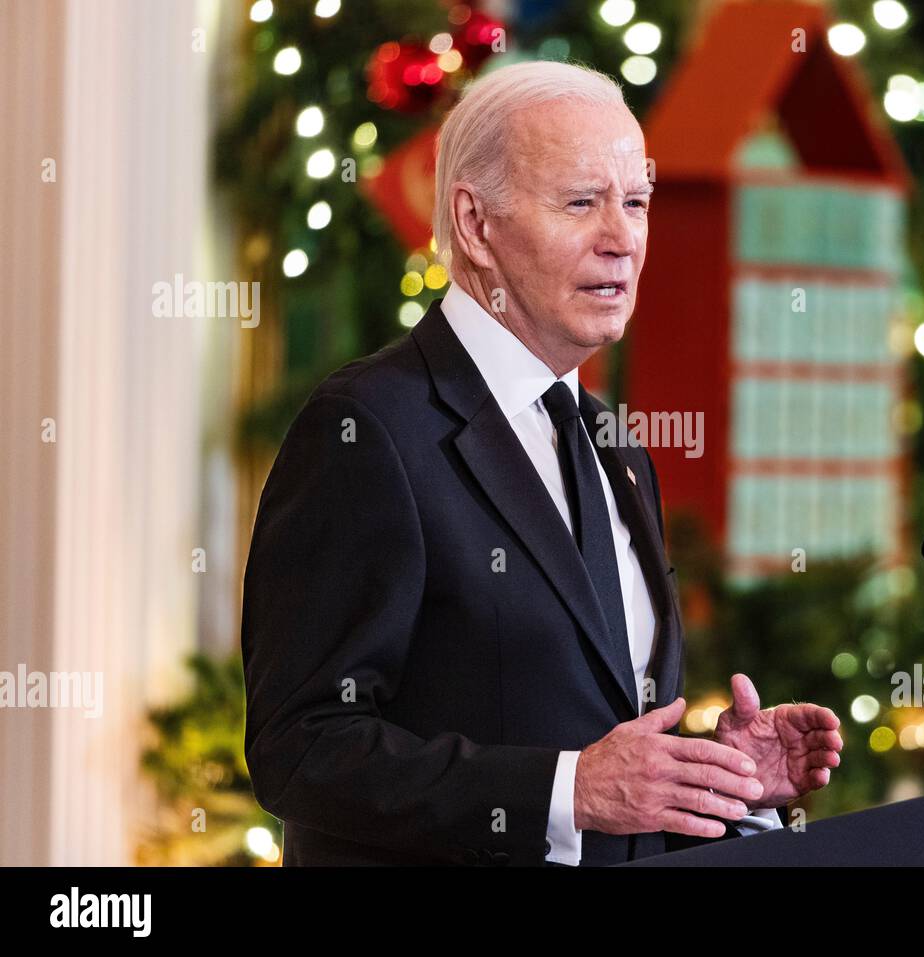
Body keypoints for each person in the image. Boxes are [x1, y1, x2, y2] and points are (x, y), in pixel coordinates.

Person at [240, 60, 844, 866]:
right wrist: (567, 792)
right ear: (476, 224)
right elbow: (302, 746)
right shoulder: (368, 428)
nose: (623, 238)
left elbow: (577, 724)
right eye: (581, 202)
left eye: (636, 202)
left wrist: (716, 774)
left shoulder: (616, 447)